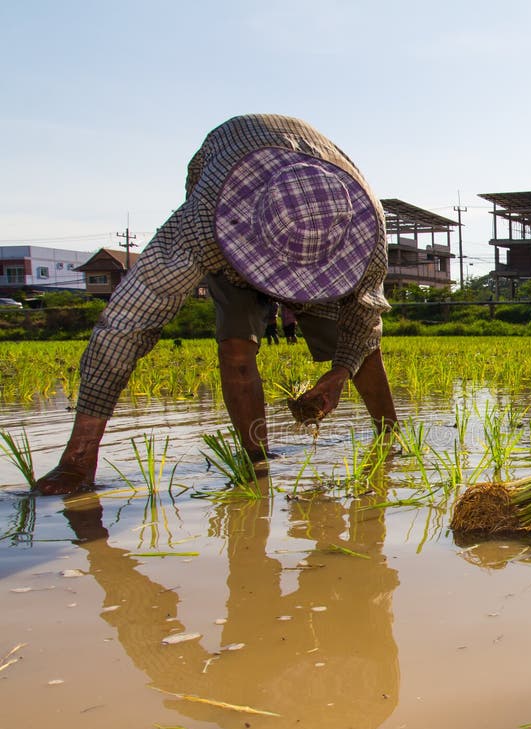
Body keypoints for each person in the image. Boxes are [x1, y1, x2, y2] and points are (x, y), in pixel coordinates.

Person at [35, 114, 398, 496]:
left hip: (325, 233)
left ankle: (391, 438)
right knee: (236, 346)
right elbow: (125, 326)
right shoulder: (203, 225)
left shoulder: (366, 231)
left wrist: (339, 373)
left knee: (357, 346)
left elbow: (363, 322)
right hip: (236, 231)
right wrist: (77, 459)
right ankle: (256, 461)